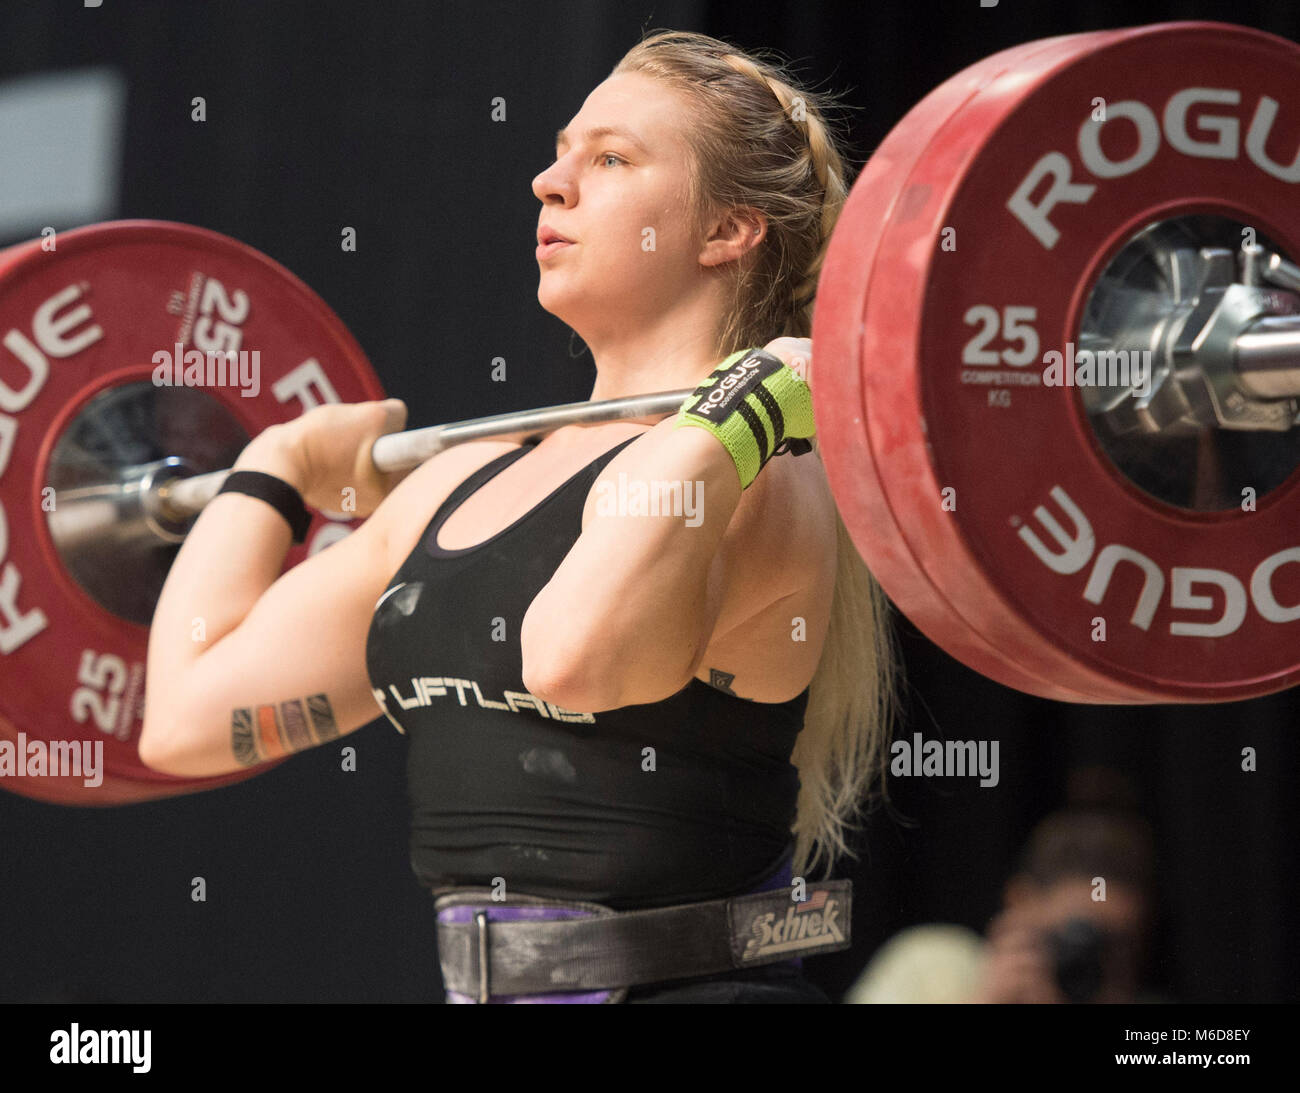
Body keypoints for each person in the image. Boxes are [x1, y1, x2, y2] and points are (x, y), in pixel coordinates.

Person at [139, 29, 898, 1004]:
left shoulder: (762, 476)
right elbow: (186, 720)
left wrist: (742, 409)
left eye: (610, 159)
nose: (549, 183)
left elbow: (573, 658)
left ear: (724, 231)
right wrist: (274, 469)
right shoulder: (461, 482)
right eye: (559, 152)